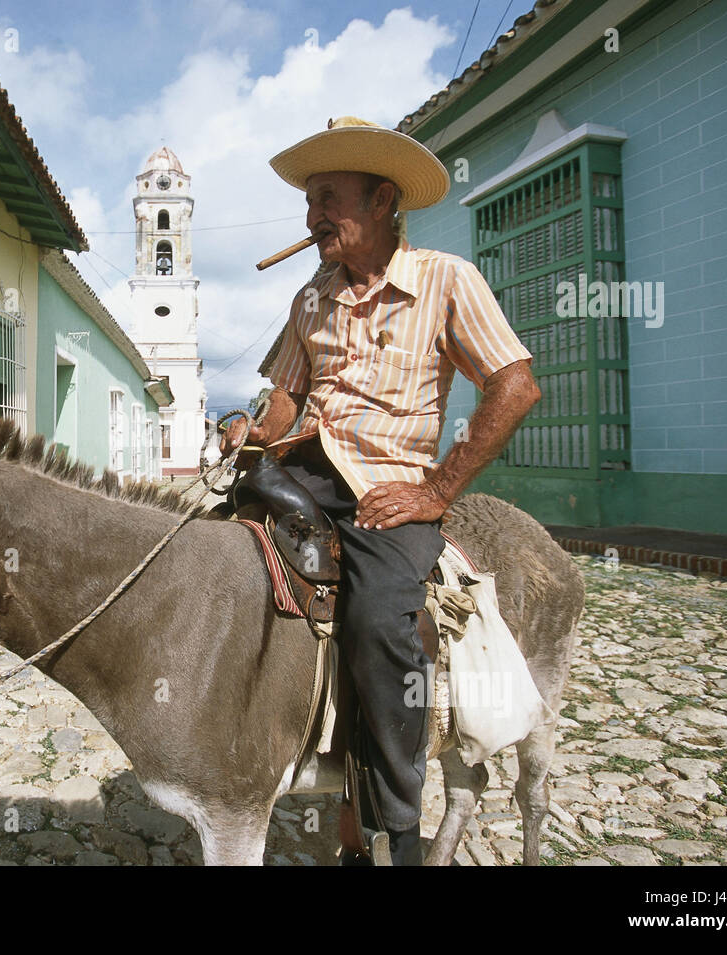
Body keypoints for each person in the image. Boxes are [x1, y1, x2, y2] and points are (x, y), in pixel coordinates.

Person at [222, 117, 541, 865]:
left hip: (384, 490)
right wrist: (250, 435)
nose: (312, 217)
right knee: (213, 561)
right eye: (308, 201)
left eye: (328, 197)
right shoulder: (312, 296)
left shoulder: (443, 280)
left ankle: (394, 820)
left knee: (377, 621)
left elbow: (515, 385)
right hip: (305, 469)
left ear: (384, 199)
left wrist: (436, 489)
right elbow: (283, 402)